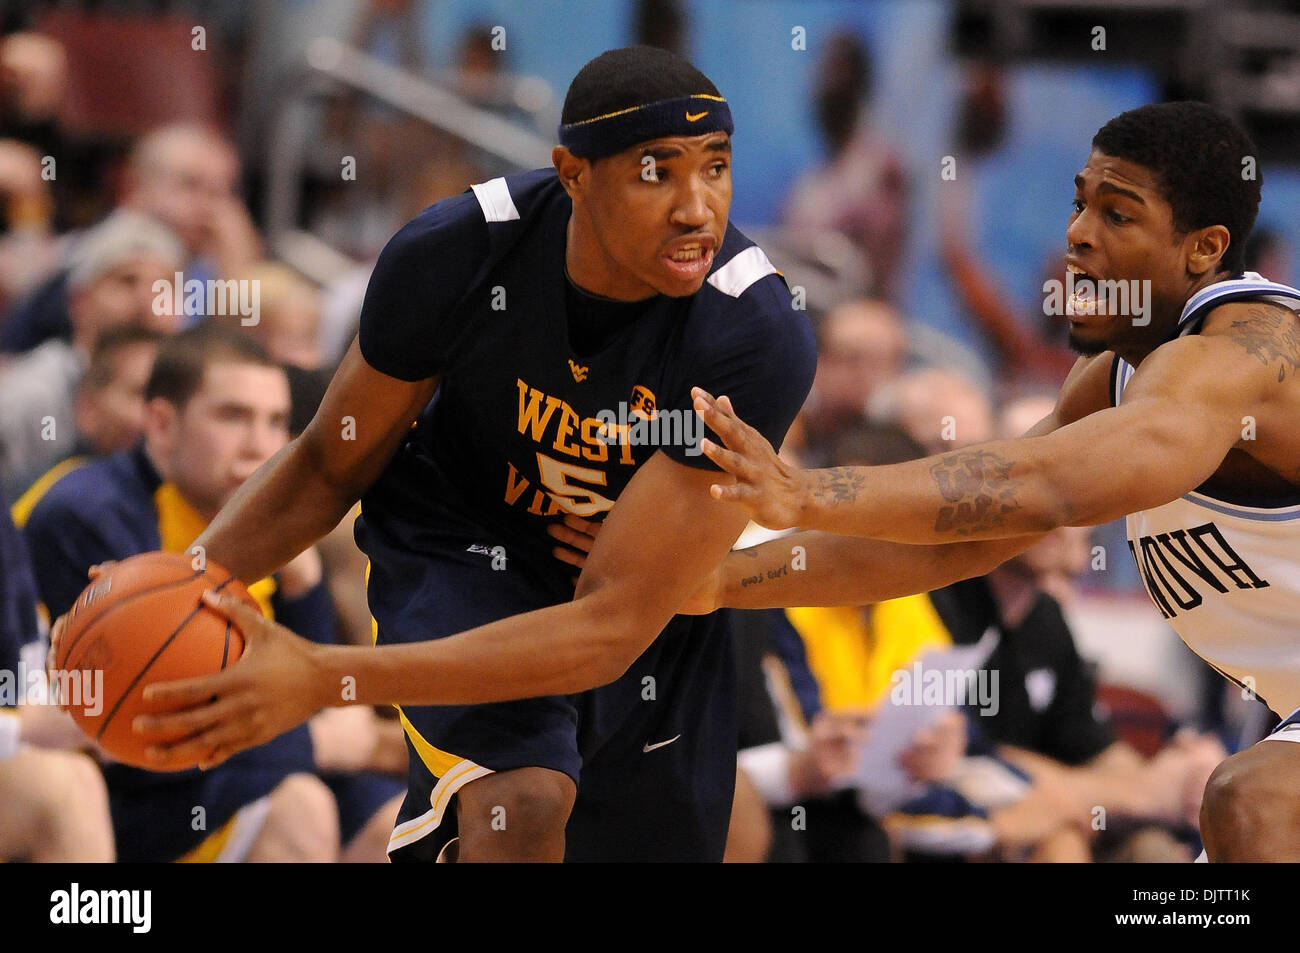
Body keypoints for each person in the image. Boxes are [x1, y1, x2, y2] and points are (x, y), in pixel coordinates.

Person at [100, 46, 815, 863]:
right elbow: (332, 461)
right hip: (468, 544)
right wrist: (182, 586)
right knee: (524, 802)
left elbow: (610, 624)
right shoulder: (455, 252)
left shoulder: (755, 334)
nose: (697, 207)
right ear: (573, 174)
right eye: (657, 171)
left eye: (716, 168)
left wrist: (322, 673)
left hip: (645, 601)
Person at [684, 101, 1300, 862]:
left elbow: (1049, 487)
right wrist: (719, 580)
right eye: (1081, 202)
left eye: (1118, 214)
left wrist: (807, 492)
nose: (1077, 231)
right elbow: (964, 536)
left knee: (1252, 799)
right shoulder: (1113, 377)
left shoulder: (1242, 356)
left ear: (1203, 248)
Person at [28, 325, 402, 862]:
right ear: (161, 423)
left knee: (402, 825)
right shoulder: (90, 513)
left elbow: (307, 692)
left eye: (276, 422)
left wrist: (303, 583)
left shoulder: (261, 518)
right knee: (301, 807)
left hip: (233, 761)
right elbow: (139, 729)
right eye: (233, 416)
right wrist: (320, 745)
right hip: (120, 780)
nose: (260, 445)